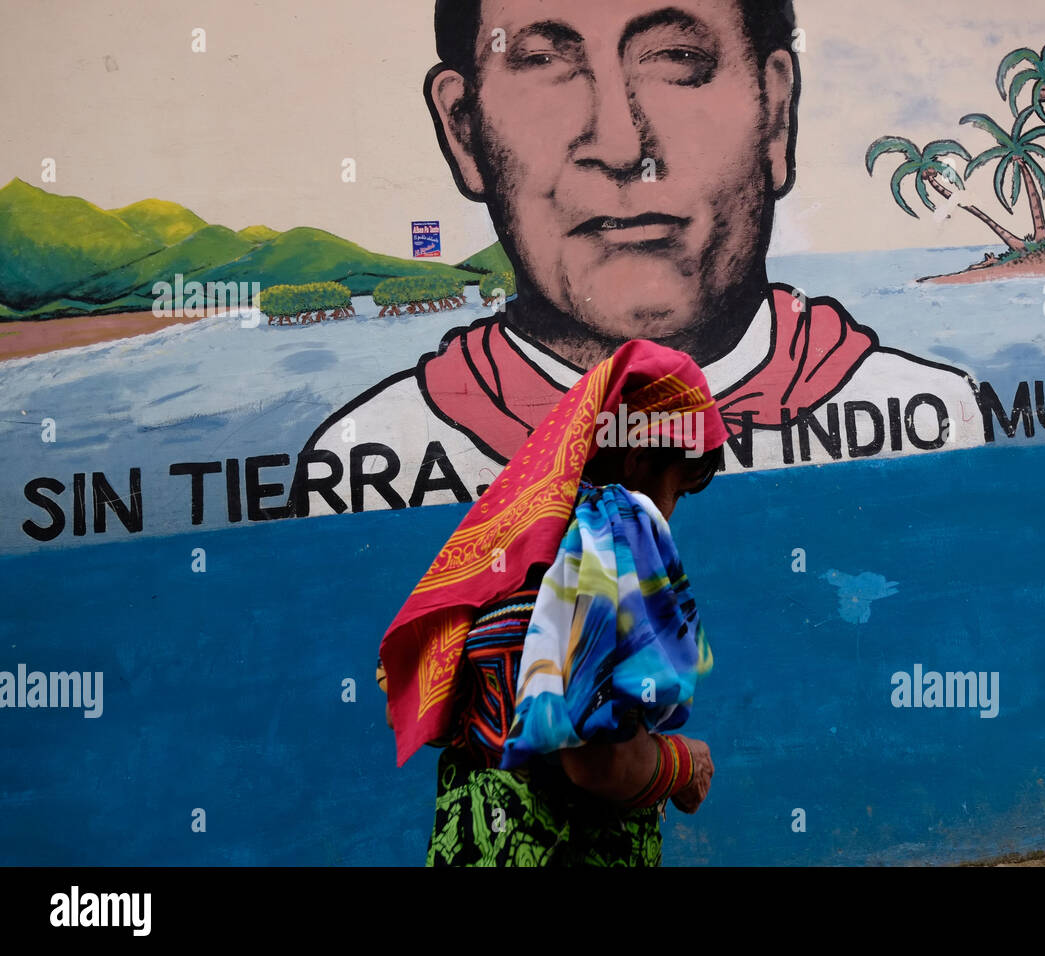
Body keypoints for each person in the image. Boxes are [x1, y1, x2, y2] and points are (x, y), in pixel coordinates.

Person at [295, 0, 985, 518]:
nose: (623, 145)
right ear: (464, 131)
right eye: (542, 64)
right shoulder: (365, 463)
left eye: (678, 62)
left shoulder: (926, 414)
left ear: (775, 111)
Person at [378, 339, 726, 865]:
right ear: (636, 459)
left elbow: (420, 706)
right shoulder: (610, 532)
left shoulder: (510, 535)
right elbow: (597, 763)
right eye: (677, 489)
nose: (671, 512)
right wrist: (682, 761)